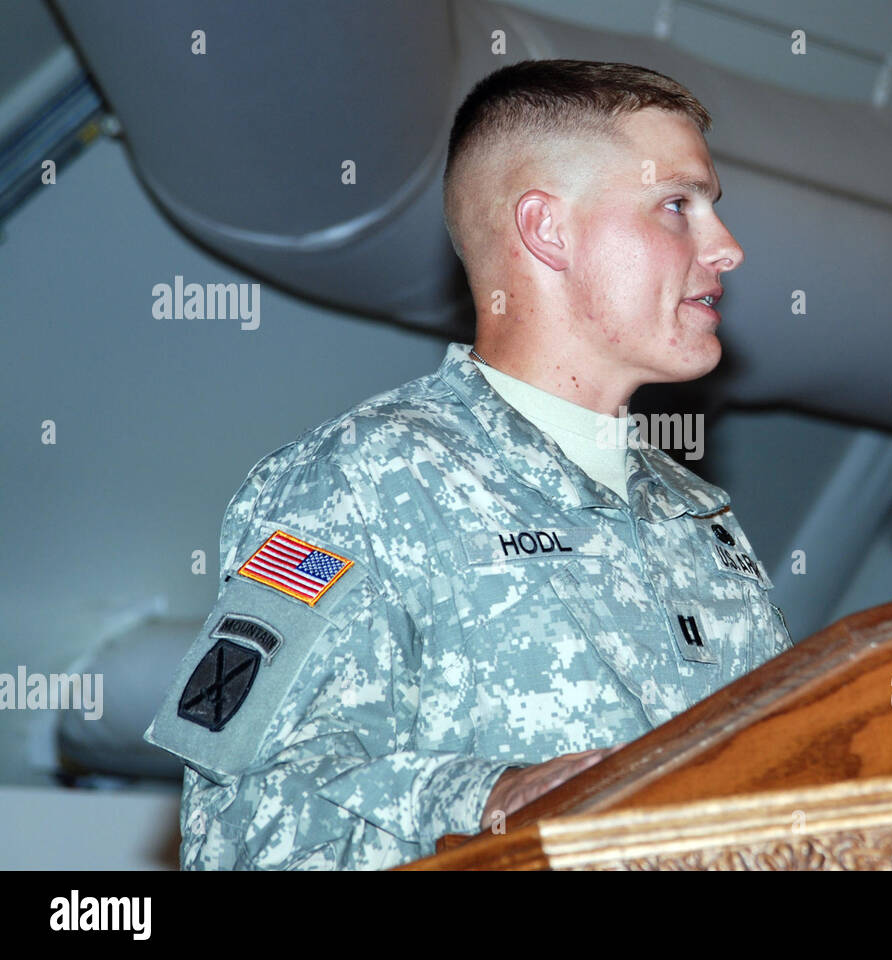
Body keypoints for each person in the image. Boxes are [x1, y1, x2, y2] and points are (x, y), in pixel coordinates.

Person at [145, 58, 793, 870]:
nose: (726, 248)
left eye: (713, 211)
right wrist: (489, 800)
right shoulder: (368, 478)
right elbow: (243, 832)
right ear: (546, 229)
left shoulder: (696, 515)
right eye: (677, 206)